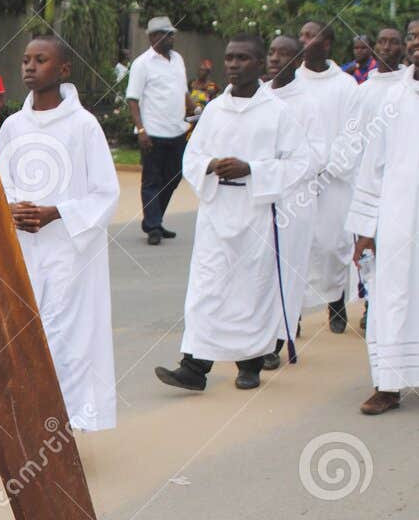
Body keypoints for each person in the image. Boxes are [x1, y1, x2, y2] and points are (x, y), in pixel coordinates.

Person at [154, 34, 308, 393]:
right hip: (216, 209)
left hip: (255, 210)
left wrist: (252, 169)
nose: (234, 65)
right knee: (207, 286)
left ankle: (250, 363)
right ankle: (194, 366)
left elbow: (300, 163)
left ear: (258, 64)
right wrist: (210, 164)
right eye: (230, 58)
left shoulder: (277, 112)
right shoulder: (214, 110)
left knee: (249, 289)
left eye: (243, 58)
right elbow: (191, 158)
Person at [0, 32, 119, 430]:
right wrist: (10, 206)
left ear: (63, 69)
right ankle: (33, 419)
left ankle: (66, 422)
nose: (30, 66)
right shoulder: (14, 126)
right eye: (26, 60)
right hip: (26, 248)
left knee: (68, 335)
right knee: (27, 331)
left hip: (70, 250)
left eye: (41, 60)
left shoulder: (84, 126)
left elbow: (105, 191)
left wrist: (57, 212)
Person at [347, 62, 419, 414]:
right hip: (396, 219)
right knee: (391, 297)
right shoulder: (393, 97)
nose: (417, 44)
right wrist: (365, 230)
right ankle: (387, 386)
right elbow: (372, 164)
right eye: (413, 37)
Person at [293, 20, 361, 334]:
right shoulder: (292, 82)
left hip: (334, 179)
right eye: (302, 35)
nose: (304, 40)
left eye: (311, 35)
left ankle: (336, 298)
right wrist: (303, 166)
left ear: (327, 44)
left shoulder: (345, 86)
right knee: (298, 246)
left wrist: (327, 166)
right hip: (298, 179)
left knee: (334, 245)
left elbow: (352, 133)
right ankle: (292, 313)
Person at [261, 33, 320, 371]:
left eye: (283, 54)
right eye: (271, 52)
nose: (275, 59)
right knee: (261, 271)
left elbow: (316, 154)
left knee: (287, 270)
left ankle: (278, 340)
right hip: (261, 197)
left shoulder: (307, 103)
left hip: (294, 198)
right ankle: (257, 338)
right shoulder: (260, 96)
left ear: (297, 61)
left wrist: (279, 168)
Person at [126, 14, 193, 244]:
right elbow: (133, 99)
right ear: (153, 37)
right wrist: (141, 130)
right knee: (152, 180)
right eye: (167, 34)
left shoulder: (178, 60)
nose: (171, 38)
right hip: (153, 133)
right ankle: (153, 226)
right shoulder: (142, 64)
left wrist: (195, 111)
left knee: (173, 177)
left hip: (177, 130)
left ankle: (155, 219)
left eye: (172, 34)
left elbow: (183, 92)